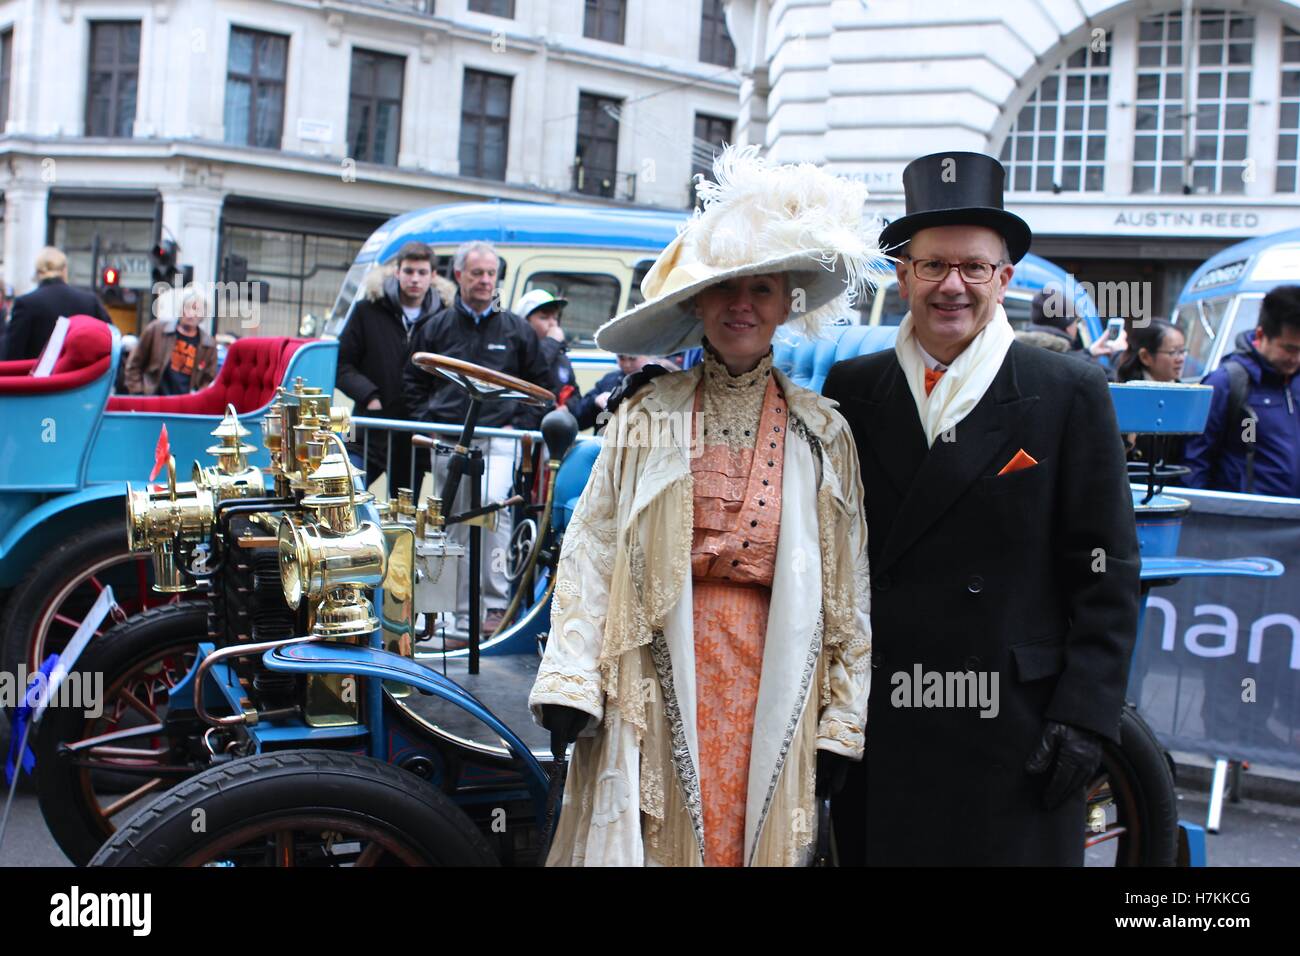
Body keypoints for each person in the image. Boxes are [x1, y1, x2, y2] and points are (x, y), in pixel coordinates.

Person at [528, 145, 877, 866]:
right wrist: (571, 676)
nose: (741, 305)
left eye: (761, 288)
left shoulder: (825, 432)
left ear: (787, 303)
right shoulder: (646, 414)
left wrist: (842, 723)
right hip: (652, 675)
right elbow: (591, 549)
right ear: (696, 304)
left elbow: (848, 592)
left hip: (776, 678)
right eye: (724, 289)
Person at [824, 151, 1141, 866]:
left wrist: (1087, 715)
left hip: (1015, 727)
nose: (953, 286)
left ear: (1005, 278)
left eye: (974, 267)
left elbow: (1107, 568)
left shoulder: (1067, 389)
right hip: (885, 720)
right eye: (933, 266)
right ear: (903, 274)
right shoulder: (854, 386)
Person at [402, 240, 556, 637]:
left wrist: (514, 424)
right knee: (447, 519)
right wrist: (429, 422)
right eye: (477, 273)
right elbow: (412, 382)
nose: (486, 281)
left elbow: (542, 387)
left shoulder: (517, 331)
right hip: (449, 437)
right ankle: (445, 613)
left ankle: (491, 606)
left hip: (498, 439)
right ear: (459, 275)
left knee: (493, 511)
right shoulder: (434, 327)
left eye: (491, 274)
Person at [337, 241, 453, 491]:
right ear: (397, 272)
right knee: (349, 494)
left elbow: (450, 374)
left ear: (433, 276)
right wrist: (369, 397)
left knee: (404, 515)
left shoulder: (445, 319)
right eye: (409, 271)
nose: (414, 279)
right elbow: (342, 363)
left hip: (414, 433)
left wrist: (431, 410)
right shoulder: (366, 310)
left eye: (422, 272)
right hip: (369, 425)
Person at [1183, 285, 1300, 498]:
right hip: (1244, 522)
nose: (1296, 358)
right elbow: (1195, 461)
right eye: (1290, 349)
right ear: (1260, 335)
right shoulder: (1226, 383)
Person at [0, 246, 111, 360]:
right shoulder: (90, 301)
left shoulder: (25, 304)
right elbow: (111, 341)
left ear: (38, 272)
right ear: (64, 270)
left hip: (35, 376)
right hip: (82, 376)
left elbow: (10, 354)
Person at [1116, 319, 1188, 478]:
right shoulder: (1124, 395)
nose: (1180, 358)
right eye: (1173, 352)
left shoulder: (1186, 396)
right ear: (1145, 356)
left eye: (1183, 351)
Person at [125, 286, 217, 395]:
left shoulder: (208, 345)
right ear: (180, 308)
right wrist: (139, 394)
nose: (191, 314)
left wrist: (197, 401)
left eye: (197, 309)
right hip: (153, 401)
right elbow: (134, 364)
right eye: (187, 308)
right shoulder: (156, 330)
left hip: (186, 406)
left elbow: (208, 380)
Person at [1016, 288, 1125, 378]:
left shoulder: (1015, 356)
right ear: (1068, 326)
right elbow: (1118, 386)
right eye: (1076, 321)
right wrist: (1118, 355)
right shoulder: (1087, 369)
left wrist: (1088, 353)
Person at [515, 288, 582, 412]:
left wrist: (567, 407)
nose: (552, 324)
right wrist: (552, 342)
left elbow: (575, 394)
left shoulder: (561, 356)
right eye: (544, 318)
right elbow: (532, 369)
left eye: (555, 318)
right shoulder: (516, 354)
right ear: (525, 323)